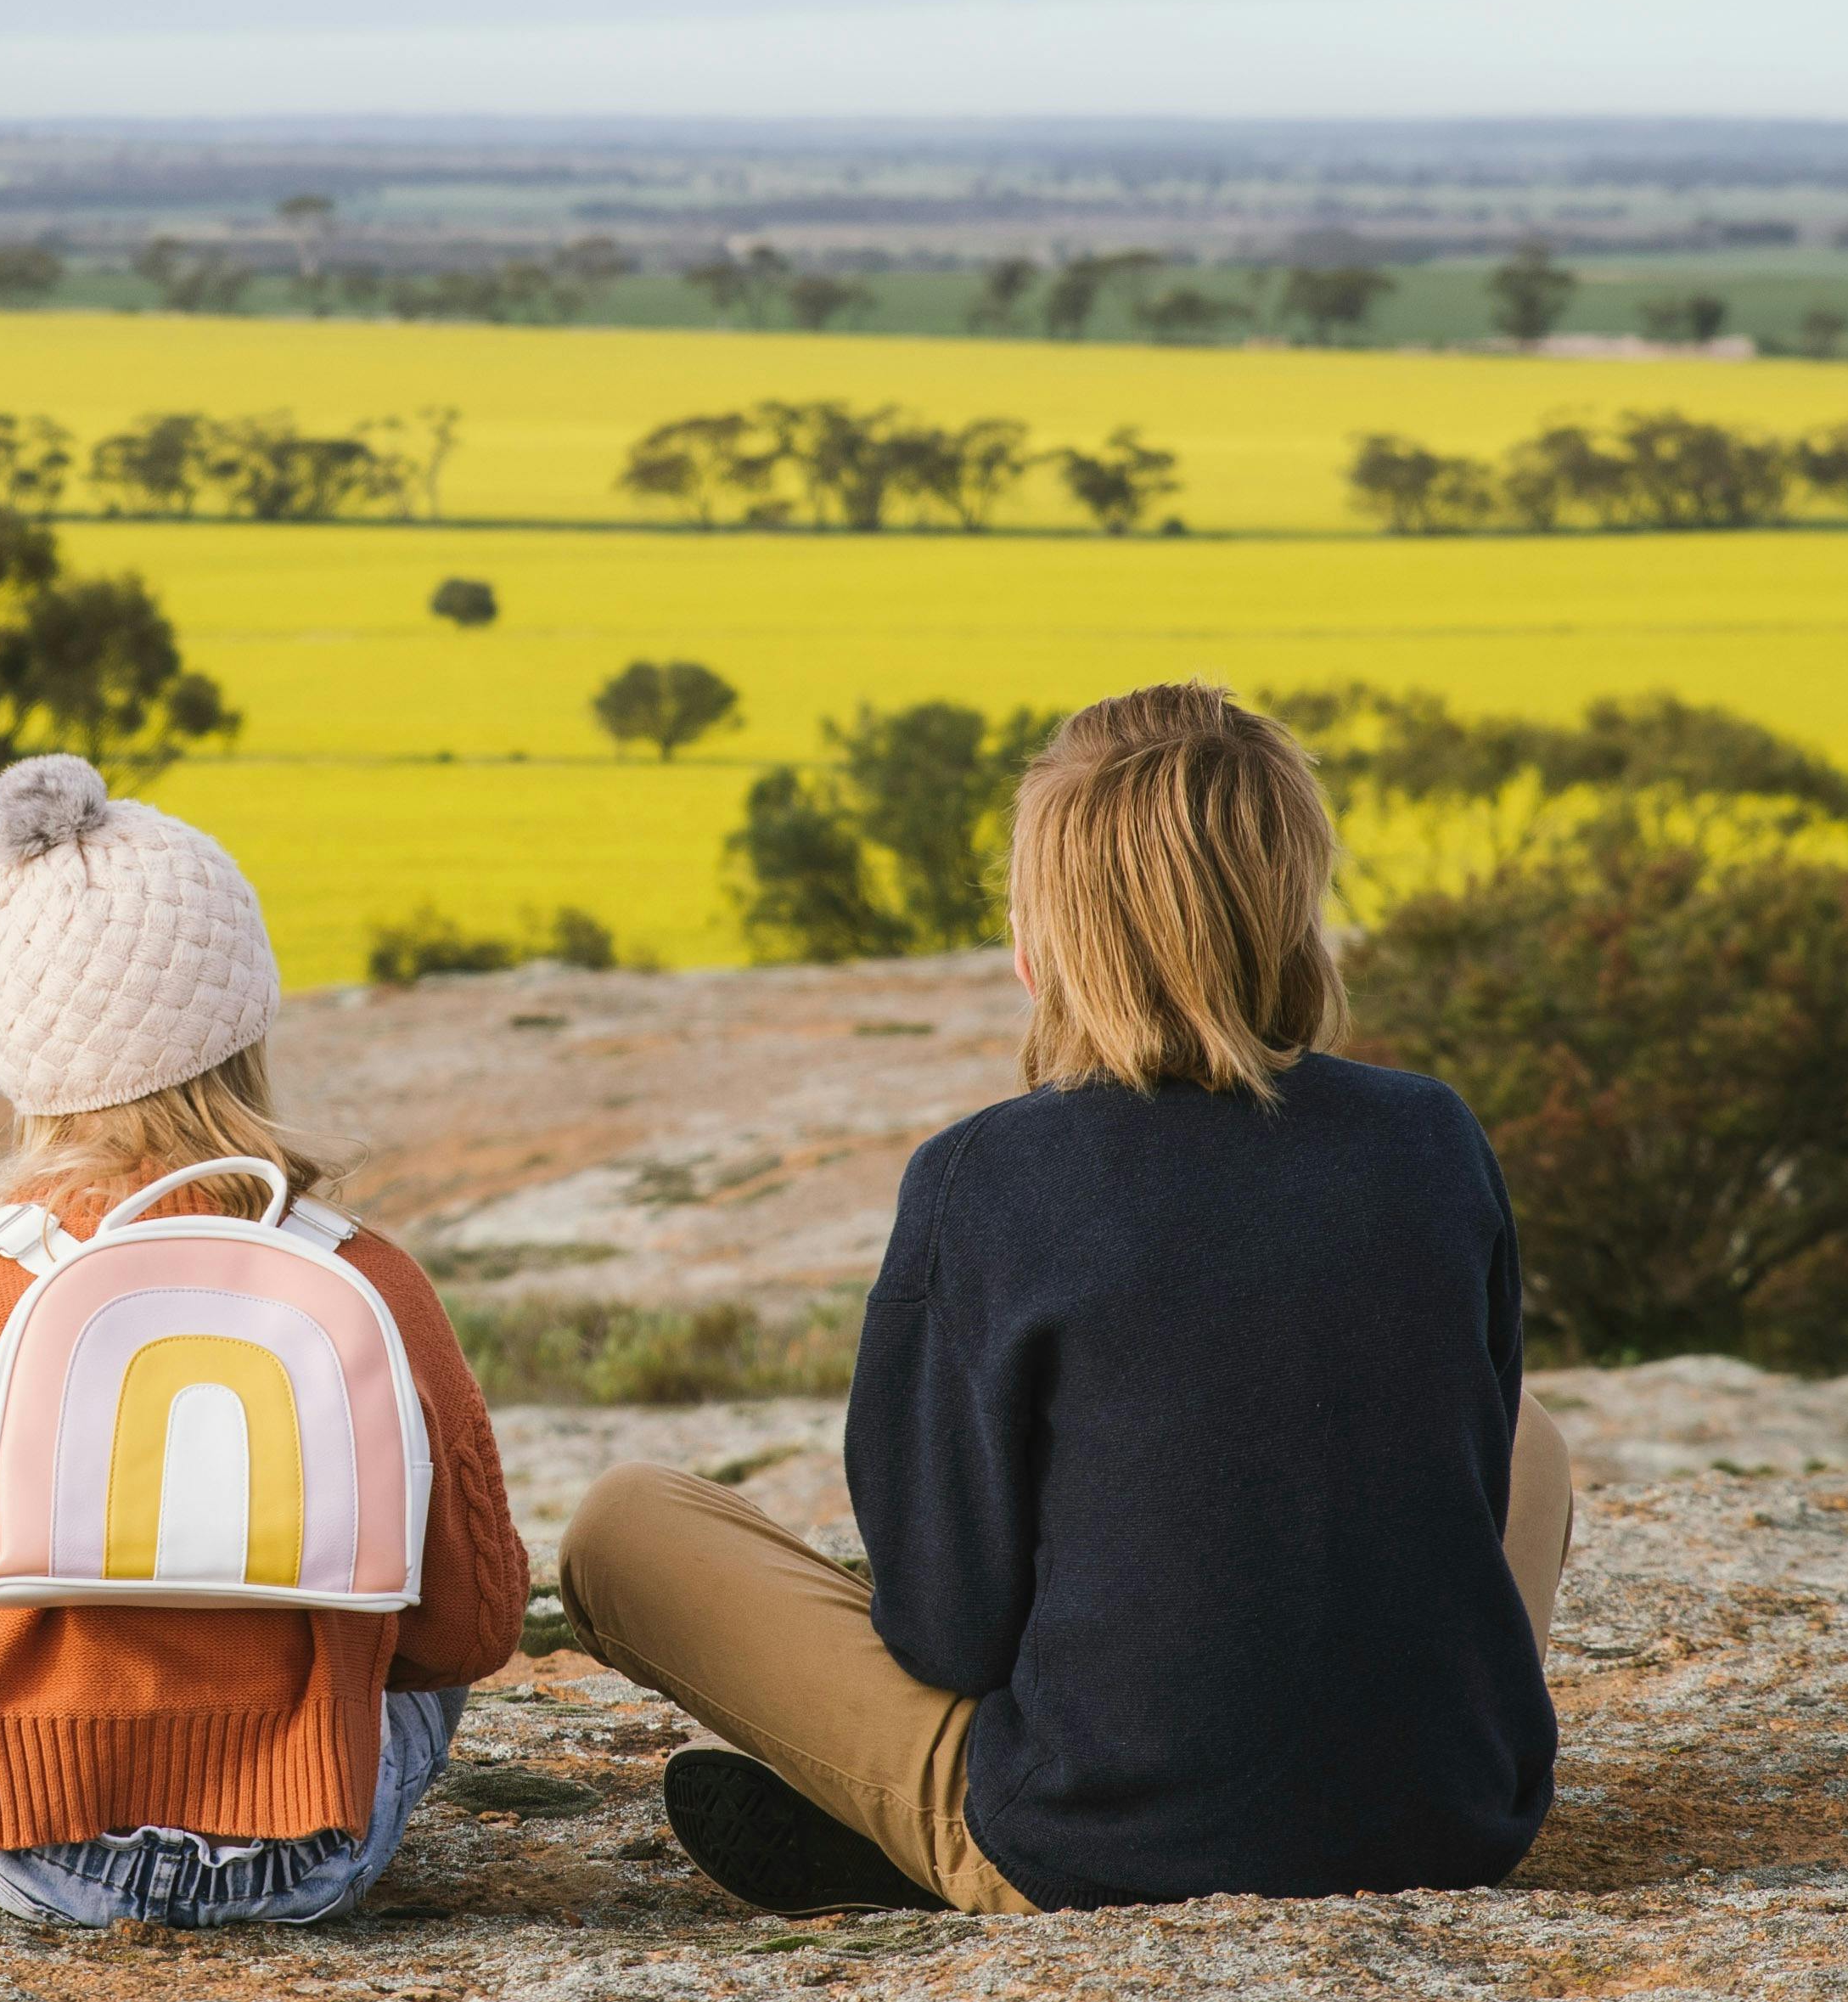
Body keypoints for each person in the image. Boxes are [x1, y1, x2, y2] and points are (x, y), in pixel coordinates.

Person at [558, 683, 1570, 1915]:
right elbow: (1468, 1451)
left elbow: (949, 1634)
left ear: (1042, 947)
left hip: (1107, 1841)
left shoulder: (986, 1179)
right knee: (1532, 1444)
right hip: (1456, 1822)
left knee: (623, 1525)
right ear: (1296, 910)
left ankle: (925, 1848)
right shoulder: (1433, 1137)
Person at [0, 756, 528, 1925]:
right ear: (245, 1007)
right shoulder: (368, 1281)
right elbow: (472, 1626)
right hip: (312, 1856)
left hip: (32, 1854)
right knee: (399, 1656)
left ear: (17, 1042)